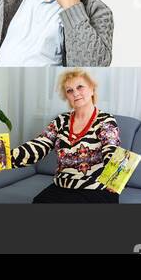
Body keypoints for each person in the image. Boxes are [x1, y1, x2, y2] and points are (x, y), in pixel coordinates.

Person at [11, 70, 120, 203]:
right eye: (69, 90)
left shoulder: (105, 120)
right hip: (63, 186)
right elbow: (38, 146)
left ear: (92, 89)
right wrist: (2, 160)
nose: (75, 93)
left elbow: (112, 149)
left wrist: (115, 180)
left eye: (80, 87)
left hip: (96, 188)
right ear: (66, 96)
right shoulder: (61, 120)